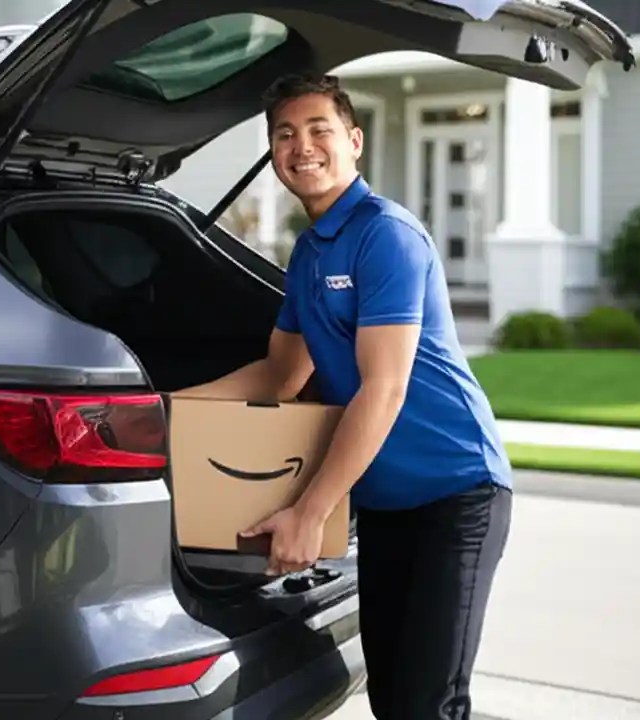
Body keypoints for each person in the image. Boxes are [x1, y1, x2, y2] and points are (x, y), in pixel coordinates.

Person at [180, 73, 513, 720]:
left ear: (354, 141)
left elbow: (382, 389)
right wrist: (167, 406)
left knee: (428, 705)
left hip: (456, 494)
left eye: (318, 130)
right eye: (284, 134)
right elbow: (278, 379)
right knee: (392, 702)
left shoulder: (385, 236)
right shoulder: (309, 253)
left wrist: (310, 512)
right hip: (386, 506)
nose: (301, 147)